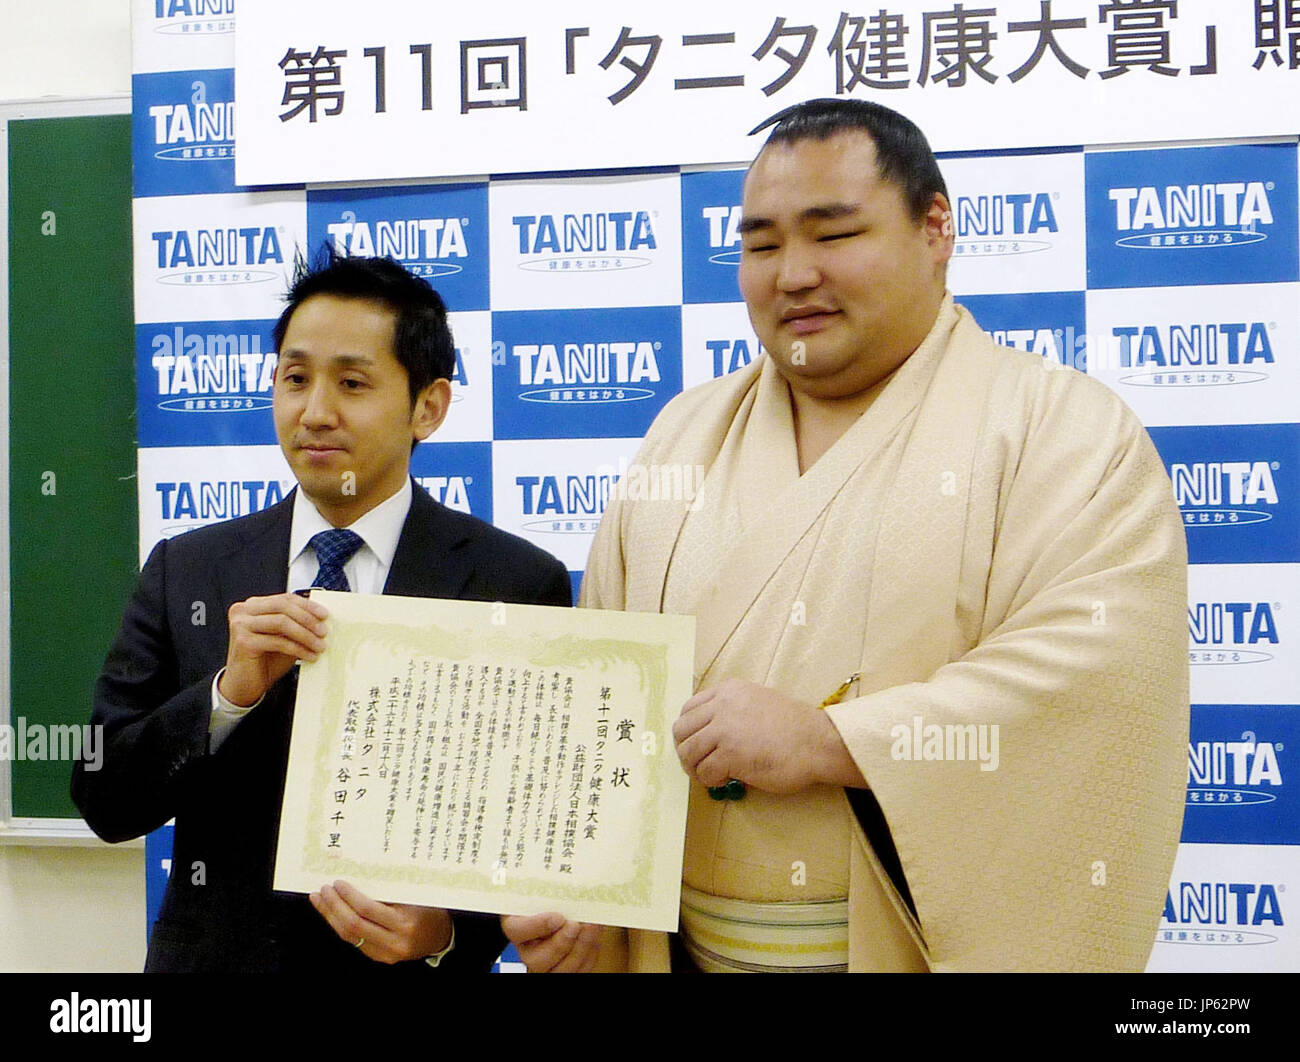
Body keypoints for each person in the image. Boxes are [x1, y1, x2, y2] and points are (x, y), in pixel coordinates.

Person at [505, 98, 1188, 972]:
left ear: (936, 227)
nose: (792, 274)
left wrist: (835, 742)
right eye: (761, 245)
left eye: (832, 236)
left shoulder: (1063, 430)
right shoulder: (682, 436)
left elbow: (1094, 688)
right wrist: (584, 897)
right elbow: (596, 697)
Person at [73, 250, 572, 973]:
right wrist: (227, 695)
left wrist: (447, 935)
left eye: (352, 383)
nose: (314, 412)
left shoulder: (515, 584)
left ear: (428, 406)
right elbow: (103, 797)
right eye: (295, 378)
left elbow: (539, 830)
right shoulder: (190, 567)